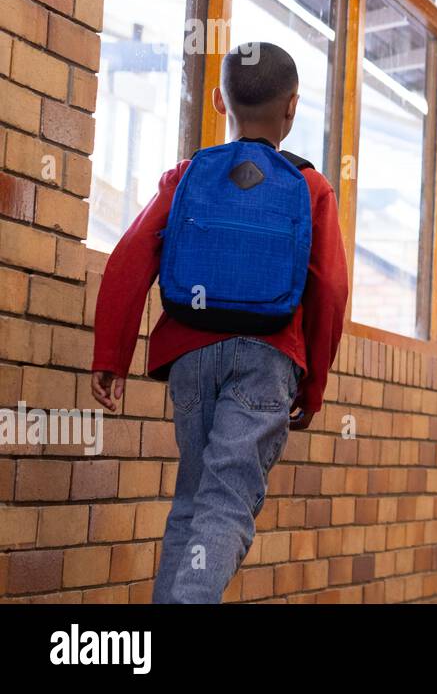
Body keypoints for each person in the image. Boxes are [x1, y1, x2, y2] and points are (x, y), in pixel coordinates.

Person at [90, 42, 349, 603]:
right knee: (227, 504)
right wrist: (315, 382)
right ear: (293, 108)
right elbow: (330, 288)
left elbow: (131, 258)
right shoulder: (310, 186)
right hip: (267, 361)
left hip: (190, 357)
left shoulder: (187, 175)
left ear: (218, 101)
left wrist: (111, 354)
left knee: (192, 504)